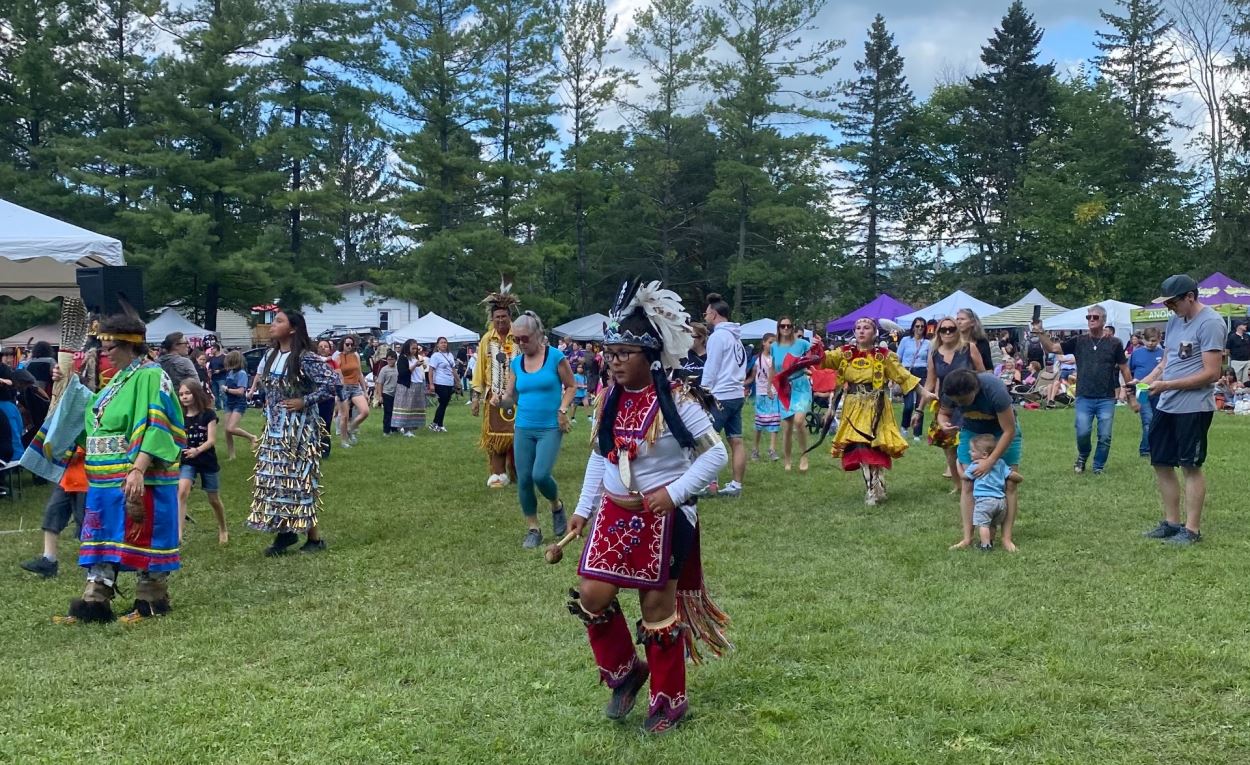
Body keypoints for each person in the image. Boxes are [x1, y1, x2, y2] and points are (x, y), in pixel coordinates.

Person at [567, 279, 731, 735]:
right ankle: (625, 672)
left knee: (658, 610)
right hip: (615, 512)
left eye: (624, 353)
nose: (614, 362)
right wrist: (583, 510)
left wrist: (674, 493)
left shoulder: (678, 401)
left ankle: (669, 700)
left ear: (650, 355)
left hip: (665, 517)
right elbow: (600, 456)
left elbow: (714, 454)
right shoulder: (608, 400)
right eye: (610, 353)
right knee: (592, 594)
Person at [54, 314, 187, 624]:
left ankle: (150, 601)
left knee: (143, 534)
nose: (106, 352)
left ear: (130, 345)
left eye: (111, 346)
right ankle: (94, 603)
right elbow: (97, 416)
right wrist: (68, 383)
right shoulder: (120, 377)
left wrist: (139, 469)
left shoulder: (152, 376)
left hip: (139, 476)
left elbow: (158, 422)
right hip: (105, 480)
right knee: (103, 537)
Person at [1137, 274, 1226, 545]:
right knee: (1161, 462)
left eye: (1172, 302)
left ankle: (1191, 530)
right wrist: (1145, 382)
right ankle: (1171, 523)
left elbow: (1211, 373)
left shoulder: (1211, 323)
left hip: (1193, 407)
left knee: (1190, 466)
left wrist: (1167, 385)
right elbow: (1167, 360)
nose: (1169, 308)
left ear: (1190, 296)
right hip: (1167, 404)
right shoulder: (1175, 320)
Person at [246, 309, 336, 556]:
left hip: (299, 428)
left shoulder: (305, 358)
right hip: (275, 428)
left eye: (278, 321)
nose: (272, 325)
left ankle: (315, 539)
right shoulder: (272, 354)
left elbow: (330, 384)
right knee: (276, 480)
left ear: (293, 329)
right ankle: (285, 533)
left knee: (299, 479)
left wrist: (304, 401)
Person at [818, 318, 935, 506]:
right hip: (853, 406)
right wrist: (816, 348)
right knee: (860, 447)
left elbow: (902, 375)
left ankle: (876, 486)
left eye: (866, 328)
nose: (861, 331)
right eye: (858, 328)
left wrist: (924, 392)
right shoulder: (845, 353)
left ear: (874, 333)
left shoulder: (884, 355)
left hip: (876, 406)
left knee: (874, 447)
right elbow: (824, 359)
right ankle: (872, 489)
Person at [493, 311, 576, 548]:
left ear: (538, 334)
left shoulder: (555, 357)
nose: (520, 343)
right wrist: (501, 400)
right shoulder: (516, 363)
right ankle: (533, 528)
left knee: (540, 474)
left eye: (524, 338)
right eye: (516, 339)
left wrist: (562, 410)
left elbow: (571, 386)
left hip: (550, 426)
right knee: (524, 479)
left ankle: (556, 505)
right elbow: (511, 397)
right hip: (523, 427)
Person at [1033, 304, 1137, 474]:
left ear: (1103, 320)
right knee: (1082, 432)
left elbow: (1125, 369)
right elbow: (1053, 348)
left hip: (1106, 397)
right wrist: (1040, 332)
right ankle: (1083, 455)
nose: (1091, 320)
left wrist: (1131, 397)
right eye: (1088, 317)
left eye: (1095, 317)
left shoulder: (1115, 343)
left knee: (1105, 436)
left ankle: (1098, 466)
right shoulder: (1079, 341)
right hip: (1084, 396)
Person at [938, 368, 1023, 552]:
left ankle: (1007, 538)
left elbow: (1009, 430)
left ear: (975, 390)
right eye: (956, 401)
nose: (959, 405)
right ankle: (967, 538)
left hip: (1003, 432)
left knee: (1009, 483)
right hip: (972, 433)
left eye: (963, 400)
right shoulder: (950, 391)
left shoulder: (994, 389)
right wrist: (943, 423)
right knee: (968, 482)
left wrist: (990, 461)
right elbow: (943, 413)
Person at [924, 316, 984, 493]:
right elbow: (929, 381)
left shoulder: (968, 348)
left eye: (952, 329)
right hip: (946, 404)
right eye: (944, 329)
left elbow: (982, 373)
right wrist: (918, 409)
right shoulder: (934, 354)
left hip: (969, 401)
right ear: (938, 332)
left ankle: (976, 481)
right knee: (949, 446)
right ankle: (958, 485)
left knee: (972, 443)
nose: (948, 332)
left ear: (958, 331)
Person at [471, 282, 521, 487]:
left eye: (504, 316)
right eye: (497, 317)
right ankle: (498, 473)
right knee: (495, 436)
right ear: (492, 319)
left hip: (518, 395)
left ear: (510, 317)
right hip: (494, 394)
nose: (501, 320)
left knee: (520, 434)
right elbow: (479, 369)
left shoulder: (519, 337)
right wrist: (475, 396)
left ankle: (518, 471)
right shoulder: (486, 340)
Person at [701, 292, 748, 497]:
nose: (705, 316)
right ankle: (736, 485)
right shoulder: (735, 337)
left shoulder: (718, 336)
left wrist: (703, 391)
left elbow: (712, 366)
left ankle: (709, 483)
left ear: (714, 315)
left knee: (707, 439)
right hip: (736, 393)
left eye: (706, 313)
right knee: (735, 440)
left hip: (721, 394)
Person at [19, 448, 88, 578]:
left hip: (87, 477)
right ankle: (49, 561)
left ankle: (93, 564)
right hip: (67, 475)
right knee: (52, 511)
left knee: (85, 522)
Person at [176, 379, 228, 545]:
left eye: (187, 393)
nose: (184, 397)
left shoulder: (208, 414)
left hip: (206, 459)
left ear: (196, 393)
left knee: (213, 499)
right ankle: (178, 535)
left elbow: (211, 440)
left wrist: (197, 450)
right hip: (188, 460)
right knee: (182, 491)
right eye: (181, 394)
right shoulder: (180, 417)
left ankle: (223, 528)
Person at [964, 433, 1024, 551]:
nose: (970, 453)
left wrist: (958, 466)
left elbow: (964, 477)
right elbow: (1012, 475)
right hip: (1001, 502)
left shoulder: (975, 465)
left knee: (983, 525)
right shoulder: (1001, 463)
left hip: (984, 502)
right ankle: (990, 540)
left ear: (984, 454)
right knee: (992, 524)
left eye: (973, 451)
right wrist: (1020, 478)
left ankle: (985, 545)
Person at [771, 316, 812, 472]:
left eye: (789, 326)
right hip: (784, 387)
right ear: (779, 328)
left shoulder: (802, 344)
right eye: (783, 326)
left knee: (799, 421)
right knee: (787, 426)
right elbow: (773, 368)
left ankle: (804, 456)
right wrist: (770, 386)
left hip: (800, 385)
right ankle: (787, 459)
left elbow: (813, 357)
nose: (786, 329)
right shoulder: (775, 346)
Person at [1128, 328, 1165, 457]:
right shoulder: (1136, 354)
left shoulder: (1163, 354)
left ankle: (1157, 447)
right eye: (1147, 341)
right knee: (1147, 419)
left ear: (1159, 339)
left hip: (1158, 391)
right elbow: (1128, 371)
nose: (1150, 343)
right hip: (1141, 391)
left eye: (1153, 341)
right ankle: (1145, 449)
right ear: (1143, 340)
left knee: (1158, 420)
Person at [897, 317, 931, 442]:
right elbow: (898, 358)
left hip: (922, 371)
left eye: (922, 326)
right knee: (909, 404)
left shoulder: (928, 343)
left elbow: (929, 361)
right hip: (907, 371)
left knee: (920, 404)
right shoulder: (905, 340)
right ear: (913, 327)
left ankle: (917, 433)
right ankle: (904, 426)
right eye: (917, 326)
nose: (919, 329)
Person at [220, 350, 258, 459]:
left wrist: (227, 389)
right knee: (227, 430)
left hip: (238, 403)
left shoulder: (242, 374)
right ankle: (232, 456)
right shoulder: (230, 373)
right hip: (229, 403)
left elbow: (241, 392)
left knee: (231, 428)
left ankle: (251, 437)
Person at [336, 335, 370, 448]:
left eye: (351, 344)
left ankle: (350, 429)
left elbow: (360, 373)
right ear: (343, 345)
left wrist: (365, 391)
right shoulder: (338, 357)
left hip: (355, 387)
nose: (349, 346)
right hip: (343, 387)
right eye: (347, 344)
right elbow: (337, 375)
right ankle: (344, 441)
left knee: (365, 411)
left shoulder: (355, 356)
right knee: (344, 416)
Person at [752, 333, 781, 461]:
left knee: (775, 421)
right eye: (770, 342)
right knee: (760, 423)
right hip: (761, 393)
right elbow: (752, 375)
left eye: (774, 343)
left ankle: (772, 449)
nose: (772, 345)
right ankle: (755, 449)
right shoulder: (757, 359)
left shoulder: (775, 358)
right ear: (763, 343)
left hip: (774, 393)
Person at [391, 339, 428, 437]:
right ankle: (405, 429)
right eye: (413, 348)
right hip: (407, 386)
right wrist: (415, 365)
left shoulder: (414, 357)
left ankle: (411, 428)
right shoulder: (403, 358)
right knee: (407, 408)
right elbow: (403, 373)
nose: (415, 350)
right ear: (407, 347)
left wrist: (420, 365)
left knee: (414, 407)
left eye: (416, 348)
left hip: (417, 384)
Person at [427, 336, 459, 432]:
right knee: (442, 403)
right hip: (440, 382)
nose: (444, 344)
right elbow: (431, 370)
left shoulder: (450, 355)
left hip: (449, 382)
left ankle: (439, 424)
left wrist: (458, 381)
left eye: (445, 342)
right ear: (438, 345)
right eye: (441, 342)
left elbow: (453, 369)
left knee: (444, 404)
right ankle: (435, 423)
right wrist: (431, 384)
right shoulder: (435, 356)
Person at [956, 309, 994, 378]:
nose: (959, 322)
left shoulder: (982, 342)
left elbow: (989, 368)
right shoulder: (953, 343)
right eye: (957, 319)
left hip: (978, 381)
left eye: (962, 319)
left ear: (972, 322)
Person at [374, 351, 398, 435]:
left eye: (392, 359)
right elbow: (380, 383)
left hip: (397, 393)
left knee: (396, 412)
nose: (390, 361)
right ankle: (386, 430)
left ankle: (394, 428)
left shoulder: (398, 368)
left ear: (395, 359)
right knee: (388, 412)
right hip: (387, 392)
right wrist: (380, 396)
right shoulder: (384, 369)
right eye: (388, 359)